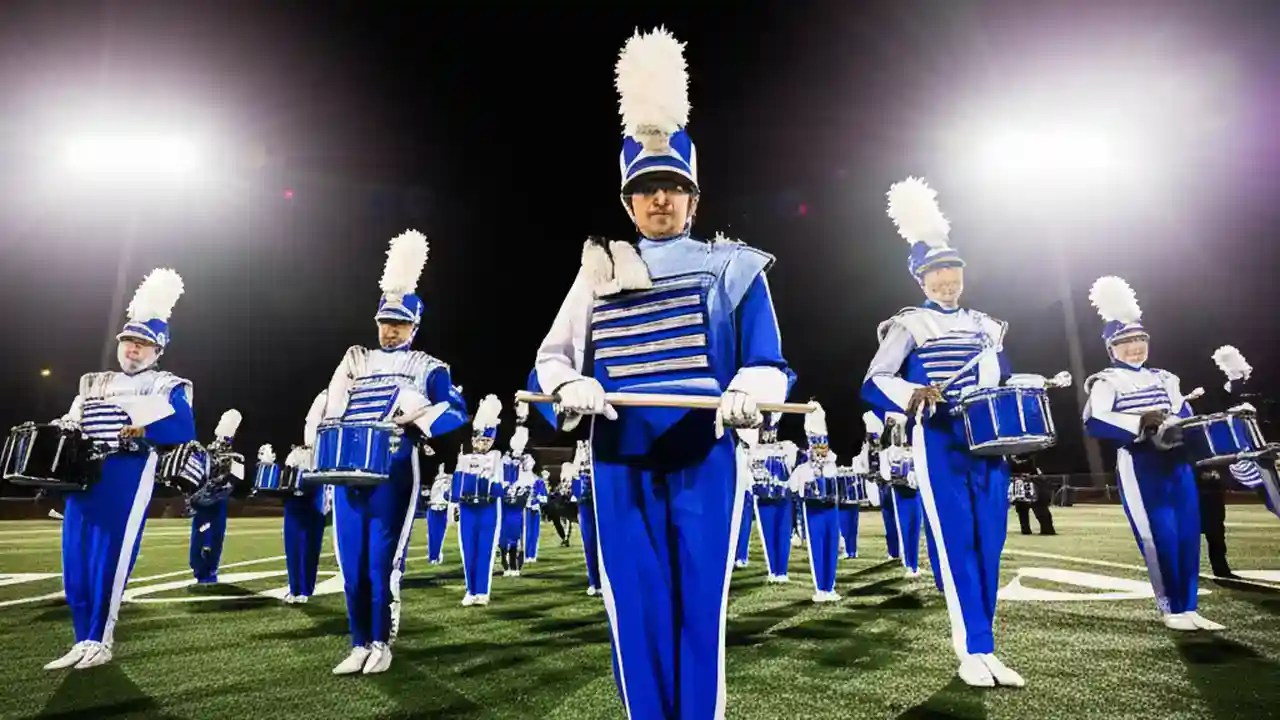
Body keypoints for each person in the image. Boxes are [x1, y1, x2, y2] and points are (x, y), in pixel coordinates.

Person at [527, 27, 792, 720]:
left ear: (694, 199)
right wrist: (569, 387)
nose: (661, 201)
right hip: (620, 454)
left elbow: (769, 362)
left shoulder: (734, 266)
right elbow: (552, 357)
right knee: (635, 603)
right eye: (647, 190)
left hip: (706, 452)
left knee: (701, 602)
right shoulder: (599, 268)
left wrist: (748, 391)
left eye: (674, 187)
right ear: (628, 203)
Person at [861, 178, 1024, 688]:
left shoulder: (986, 327)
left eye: (953, 271)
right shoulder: (909, 324)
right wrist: (914, 393)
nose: (947, 280)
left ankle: (986, 646)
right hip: (940, 441)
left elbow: (1003, 378)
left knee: (990, 542)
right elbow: (874, 381)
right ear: (921, 279)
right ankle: (971, 649)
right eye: (936, 273)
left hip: (988, 444)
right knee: (956, 543)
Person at [319, 230, 469, 675]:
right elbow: (332, 406)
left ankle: (381, 642)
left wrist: (417, 419)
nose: (390, 331)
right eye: (385, 322)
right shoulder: (356, 359)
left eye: (399, 324)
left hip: (395, 466)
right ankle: (358, 642)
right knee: (350, 560)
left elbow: (456, 410)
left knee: (382, 561)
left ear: (414, 327)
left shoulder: (428, 367)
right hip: (349, 466)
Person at [46, 269, 195, 671]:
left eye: (142, 344)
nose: (133, 349)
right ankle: (81, 639)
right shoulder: (94, 383)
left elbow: (184, 428)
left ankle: (101, 639)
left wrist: (145, 429)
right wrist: (61, 429)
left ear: (158, 350)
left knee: (109, 558)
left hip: (125, 474)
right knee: (75, 560)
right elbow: (73, 421)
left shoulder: (166, 384)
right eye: (129, 341)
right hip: (82, 478)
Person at [1083, 275, 1222, 632]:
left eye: (1140, 340)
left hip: (1176, 463)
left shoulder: (1166, 378)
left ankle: (1189, 606)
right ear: (1112, 348)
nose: (1135, 348)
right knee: (1157, 534)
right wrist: (1140, 422)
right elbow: (1095, 420)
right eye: (1125, 342)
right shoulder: (1105, 381)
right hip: (1140, 463)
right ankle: (1169, 607)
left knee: (1188, 532)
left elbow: (1185, 416)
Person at [452, 394, 505, 607]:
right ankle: (470, 590)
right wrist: (453, 497)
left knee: (485, 550)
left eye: (486, 440)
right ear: (473, 439)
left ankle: (482, 591)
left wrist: (493, 485)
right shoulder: (464, 458)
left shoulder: (497, 458)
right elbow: (457, 485)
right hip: (467, 509)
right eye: (479, 440)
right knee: (468, 549)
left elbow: (500, 486)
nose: (482, 444)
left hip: (488, 508)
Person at [280, 393, 331, 604]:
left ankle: (301, 589)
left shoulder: (322, 453)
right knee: (302, 543)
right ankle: (299, 588)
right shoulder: (299, 453)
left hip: (311, 494)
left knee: (304, 543)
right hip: (302, 499)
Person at [790, 406, 841, 603]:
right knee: (817, 547)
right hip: (813, 511)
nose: (820, 451)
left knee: (831, 546)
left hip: (831, 510)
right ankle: (820, 588)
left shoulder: (832, 465)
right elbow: (793, 487)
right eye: (816, 446)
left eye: (823, 446)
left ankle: (830, 586)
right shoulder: (803, 468)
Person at [189, 410, 244, 584]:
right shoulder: (207, 451)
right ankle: (202, 569)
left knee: (213, 536)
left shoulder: (233, 456)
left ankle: (208, 569)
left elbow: (235, 480)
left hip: (216, 501)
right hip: (206, 501)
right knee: (204, 534)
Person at [747, 414, 798, 583]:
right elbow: (750, 468)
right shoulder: (754, 447)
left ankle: (782, 570)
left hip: (783, 494)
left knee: (783, 532)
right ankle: (773, 570)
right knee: (768, 532)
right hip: (763, 494)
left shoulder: (787, 445)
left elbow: (794, 462)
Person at [569, 443, 603, 596]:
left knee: (607, 537)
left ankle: (607, 581)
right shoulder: (581, 441)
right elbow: (576, 464)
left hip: (603, 480)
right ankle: (595, 581)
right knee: (589, 538)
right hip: (585, 486)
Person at [499, 426, 532, 577]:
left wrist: (521, 489)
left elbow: (528, 477)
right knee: (503, 531)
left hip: (518, 500)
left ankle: (514, 563)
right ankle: (504, 561)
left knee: (516, 532)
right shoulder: (503, 459)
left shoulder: (527, 459)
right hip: (504, 498)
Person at [1008, 454, 1056, 536]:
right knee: (1025, 509)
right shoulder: (1029, 461)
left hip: (1028, 486)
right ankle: (1039, 529)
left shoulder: (1018, 461)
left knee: (1035, 509)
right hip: (1024, 486)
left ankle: (1044, 529)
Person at [425, 467, 452, 564]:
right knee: (435, 534)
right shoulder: (441, 480)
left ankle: (434, 556)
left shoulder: (447, 480)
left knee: (436, 534)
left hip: (440, 508)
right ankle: (434, 556)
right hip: (436, 508)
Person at [525, 469, 550, 562]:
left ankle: (532, 554)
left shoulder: (539, 481)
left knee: (534, 532)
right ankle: (526, 554)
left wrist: (536, 499)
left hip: (535, 508)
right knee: (527, 532)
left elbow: (544, 497)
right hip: (525, 508)